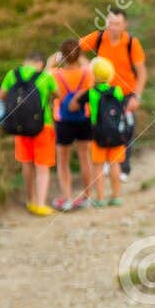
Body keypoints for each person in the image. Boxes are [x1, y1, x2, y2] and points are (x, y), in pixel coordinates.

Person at [79, 8, 146, 180]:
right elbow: (76, 48)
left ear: (125, 25)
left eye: (117, 23)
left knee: (126, 129)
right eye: (110, 22)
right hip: (103, 93)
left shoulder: (132, 43)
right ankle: (108, 163)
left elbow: (142, 72)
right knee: (103, 126)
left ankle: (124, 168)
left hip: (125, 94)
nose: (113, 27)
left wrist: (136, 97)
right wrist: (88, 65)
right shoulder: (99, 37)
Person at [0, 50, 57, 216]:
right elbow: (59, 95)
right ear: (41, 64)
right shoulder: (45, 77)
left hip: (19, 126)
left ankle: (30, 201)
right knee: (42, 167)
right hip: (43, 126)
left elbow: (0, 96)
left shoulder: (12, 74)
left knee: (27, 163)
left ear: (26, 61)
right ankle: (40, 204)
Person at [73, 56, 133, 206]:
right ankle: (116, 196)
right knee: (115, 165)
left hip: (97, 134)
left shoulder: (91, 93)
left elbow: (73, 106)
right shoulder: (118, 91)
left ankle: (99, 199)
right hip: (116, 133)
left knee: (98, 166)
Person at [49, 39, 95, 211]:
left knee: (63, 161)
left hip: (63, 120)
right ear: (79, 55)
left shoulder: (55, 74)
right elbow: (89, 67)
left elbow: (46, 72)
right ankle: (87, 197)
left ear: (62, 55)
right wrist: (81, 57)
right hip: (84, 117)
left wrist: (53, 60)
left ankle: (67, 198)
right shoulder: (87, 72)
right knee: (85, 158)